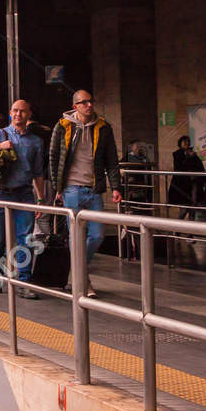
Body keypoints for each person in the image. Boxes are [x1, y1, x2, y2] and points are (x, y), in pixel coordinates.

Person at [47, 89, 122, 298]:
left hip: (94, 189)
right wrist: (58, 188)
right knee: (75, 237)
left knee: (97, 235)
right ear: (75, 106)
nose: (89, 105)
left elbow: (112, 160)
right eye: (84, 102)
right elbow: (53, 157)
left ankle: (78, 270)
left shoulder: (103, 127)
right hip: (71, 189)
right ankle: (84, 280)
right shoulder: (62, 126)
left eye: (91, 101)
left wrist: (116, 187)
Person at [0, 100, 50, 294]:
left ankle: (24, 282)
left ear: (29, 114)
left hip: (24, 194)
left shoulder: (36, 142)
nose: (18, 114)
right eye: (15, 111)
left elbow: (38, 172)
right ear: (10, 113)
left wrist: (41, 199)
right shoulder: (0, 134)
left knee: (26, 239)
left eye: (22, 111)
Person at [170, 135, 206, 221]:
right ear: (180, 143)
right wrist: (188, 157)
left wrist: (193, 157)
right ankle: (177, 227)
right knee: (184, 209)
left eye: (188, 141)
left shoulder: (193, 154)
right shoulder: (177, 154)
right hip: (183, 185)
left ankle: (190, 228)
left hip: (193, 184)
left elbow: (200, 167)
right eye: (184, 141)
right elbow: (178, 168)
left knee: (193, 208)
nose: (187, 143)